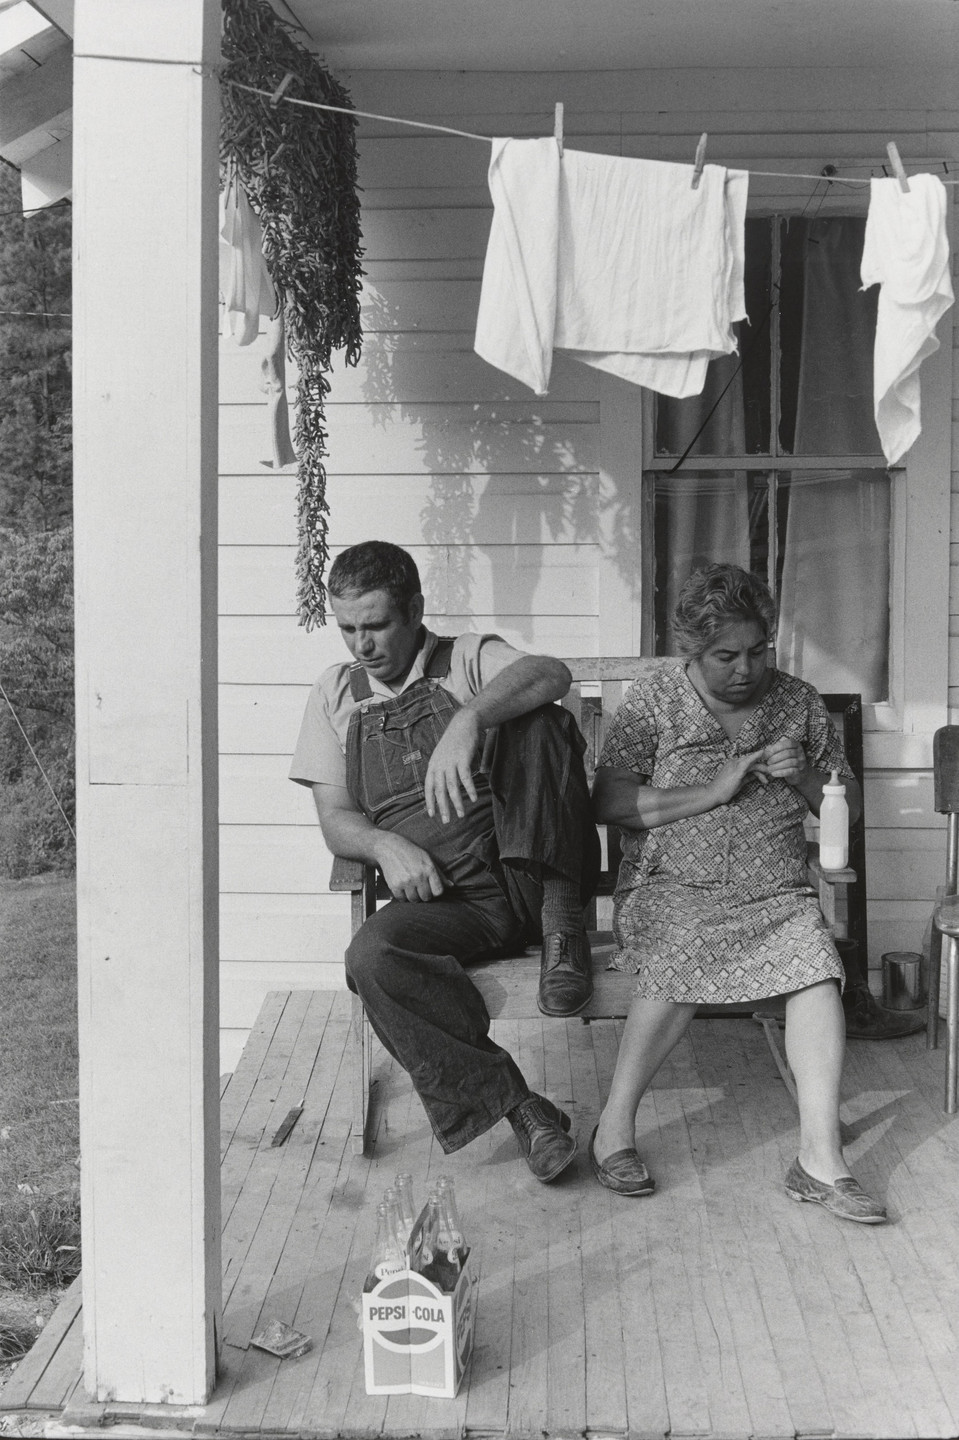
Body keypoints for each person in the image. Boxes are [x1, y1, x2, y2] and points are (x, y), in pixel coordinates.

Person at [289, 541, 600, 1181]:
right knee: (370, 957)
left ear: (416, 610)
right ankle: (522, 1108)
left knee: (541, 721)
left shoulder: (466, 658)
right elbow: (335, 818)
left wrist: (471, 719)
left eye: (376, 625)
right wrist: (382, 844)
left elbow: (551, 673)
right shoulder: (334, 693)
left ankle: (564, 920)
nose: (361, 645)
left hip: (526, 876)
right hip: (448, 905)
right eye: (347, 628)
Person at [588, 563, 887, 1224]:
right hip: (672, 889)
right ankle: (613, 1128)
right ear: (692, 650)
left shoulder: (797, 701)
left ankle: (818, 1160)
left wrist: (809, 775)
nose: (746, 669)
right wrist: (712, 789)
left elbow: (849, 807)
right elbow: (608, 800)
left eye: (758, 651)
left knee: (813, 960)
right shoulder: (656, 699)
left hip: (772, 892)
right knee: (686, 942)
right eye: (726, 655)